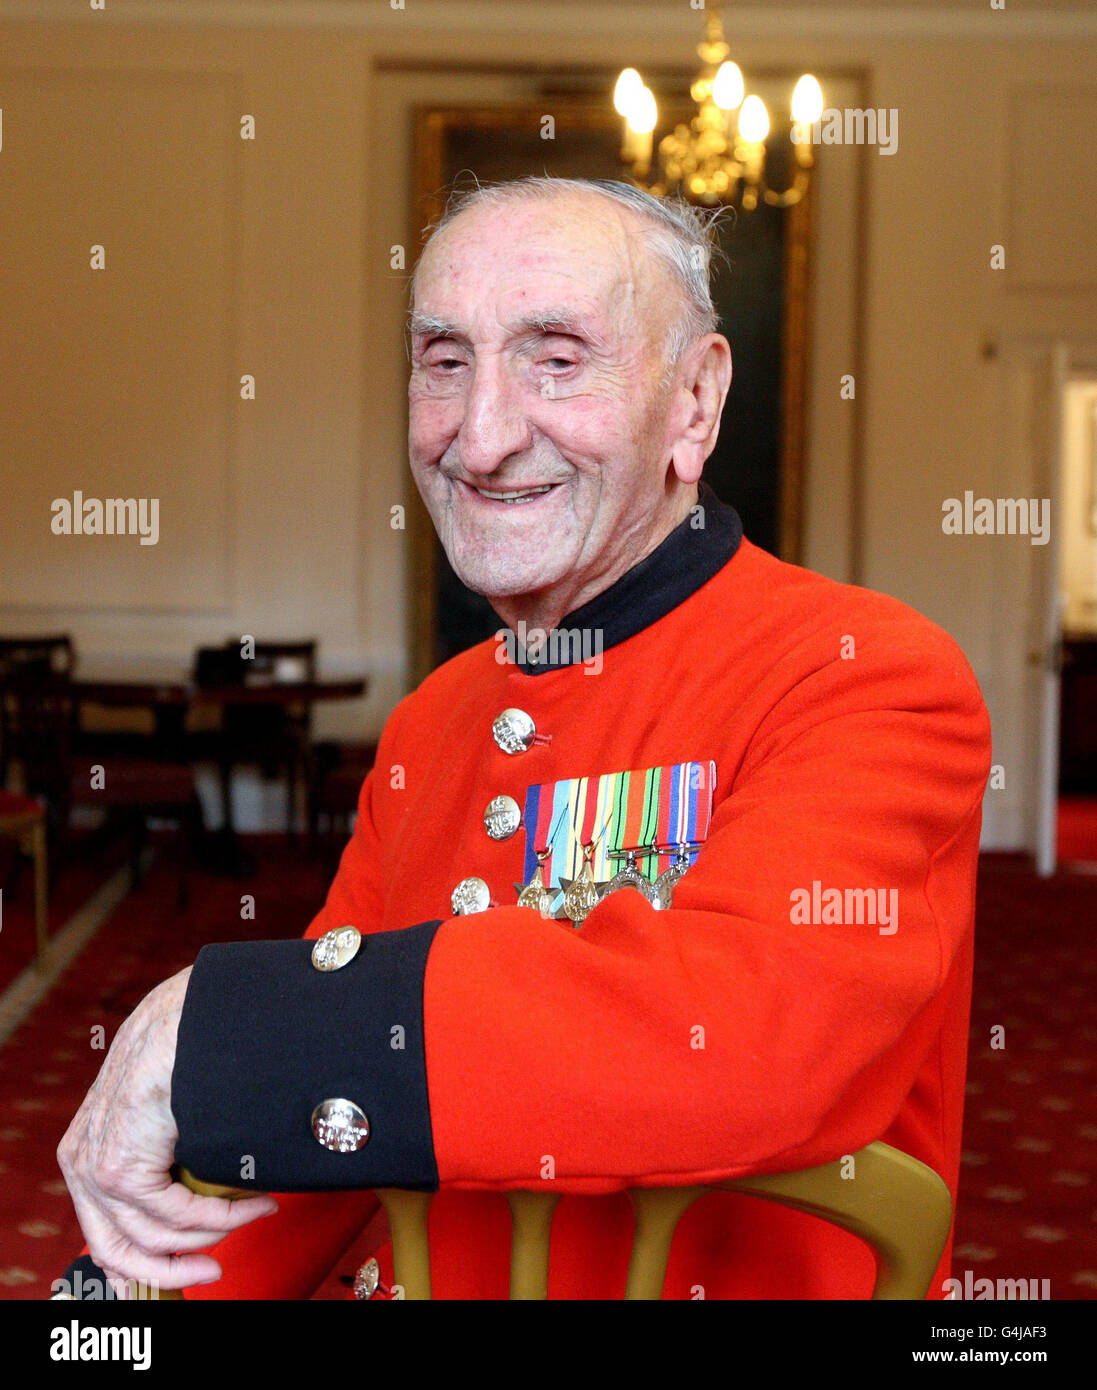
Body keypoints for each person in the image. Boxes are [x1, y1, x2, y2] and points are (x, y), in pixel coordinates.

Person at [56, 177, 991, 1300]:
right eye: (445, 362)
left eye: (556, 358)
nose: (482, 438)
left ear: (693, 403)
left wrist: (221, 1029)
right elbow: (323, 1135)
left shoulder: (863, 675)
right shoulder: (431, 723)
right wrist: (114, 1307)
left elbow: (742, 1041)